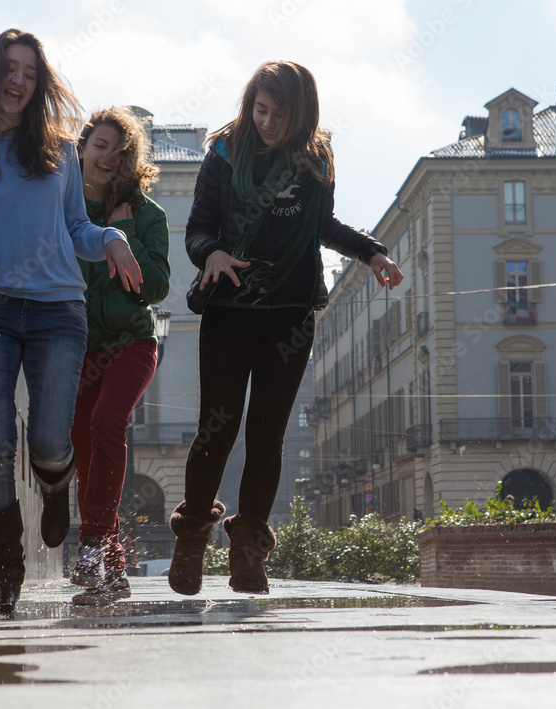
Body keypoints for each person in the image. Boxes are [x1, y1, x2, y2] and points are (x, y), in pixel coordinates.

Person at [0, 29, 142, 615]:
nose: (18, 79)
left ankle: (54, 484)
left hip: (57, 312)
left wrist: (113, 238)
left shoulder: (59, 151)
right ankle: (6, 576)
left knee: (49, 441)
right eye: (9, 68)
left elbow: (77, 230)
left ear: (38, 81)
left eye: (29, 70)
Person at [168, 60, 404, 596]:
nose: (267, 123)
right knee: (216, 428)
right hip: (230, 309)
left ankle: (248, 553)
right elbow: (199, 226)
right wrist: (213, 252)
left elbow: (324, 227)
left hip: (290, 314)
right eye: (260, 109)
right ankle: (192, 540)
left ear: (301, 115)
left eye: (279, 114)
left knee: (268, 434)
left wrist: (372, 254)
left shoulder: (316, 160)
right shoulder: (224, 153)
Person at [68, 107, 170, 605]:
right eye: (101, 145)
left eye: (121, 151)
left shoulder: (148, 214)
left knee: (108, 421)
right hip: (78, 348)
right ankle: (113, 572)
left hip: (133, 343)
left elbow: (156, 286)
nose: (109, 158)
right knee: (84, 453)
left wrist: (126, 235)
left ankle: (90, 548)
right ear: (83, 147)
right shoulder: (63, 206)